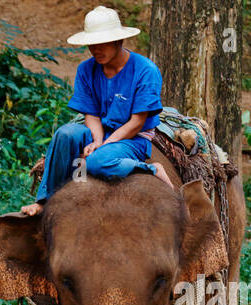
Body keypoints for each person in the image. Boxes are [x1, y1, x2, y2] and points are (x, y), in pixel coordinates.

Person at [20, 6, 174, 216]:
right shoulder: (86, 69)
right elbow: (90, 114)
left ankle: (151, 169)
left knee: (95, 162)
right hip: (99, 130)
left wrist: (103, 148)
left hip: (133, 138)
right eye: (91, 44)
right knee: (65, 134)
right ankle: (44, 201)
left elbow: (136, 122)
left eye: (102, 43)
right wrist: (97, 141)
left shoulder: (146, 70)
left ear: (118, 41)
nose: (95, 50)